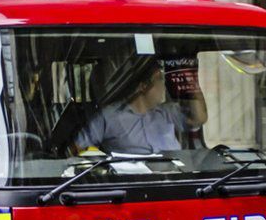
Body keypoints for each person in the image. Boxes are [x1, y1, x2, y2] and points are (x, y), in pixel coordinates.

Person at [75, 61, 208, 155]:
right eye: (160, 80)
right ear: (143, 86)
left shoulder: (167, 111)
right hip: (135, 185)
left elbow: (199, 118)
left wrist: (191, 84)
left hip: (175, 180)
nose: (164, 86)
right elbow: (76, 148)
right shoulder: (110, 116)